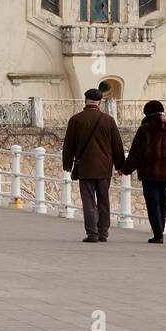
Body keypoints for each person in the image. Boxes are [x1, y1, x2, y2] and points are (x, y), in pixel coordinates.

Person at [60, 89, 126, 244]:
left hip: (85, 167)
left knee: (89, 201)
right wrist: (120, 165)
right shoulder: (108, 120)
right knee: (104, 200)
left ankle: (92, 233)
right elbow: (117, 145)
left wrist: (67, 164)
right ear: (100, 102)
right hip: (104, 168)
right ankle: (103, 233)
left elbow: (69, 144)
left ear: (85, 101)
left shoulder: (76, 120)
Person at [125, 100, 166, 243]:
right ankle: (160, 231)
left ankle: (158, 234)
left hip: (149, 173)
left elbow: (136, 154)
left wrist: (125, 169)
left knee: (153, 203)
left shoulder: (144, 129)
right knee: (162, 201)